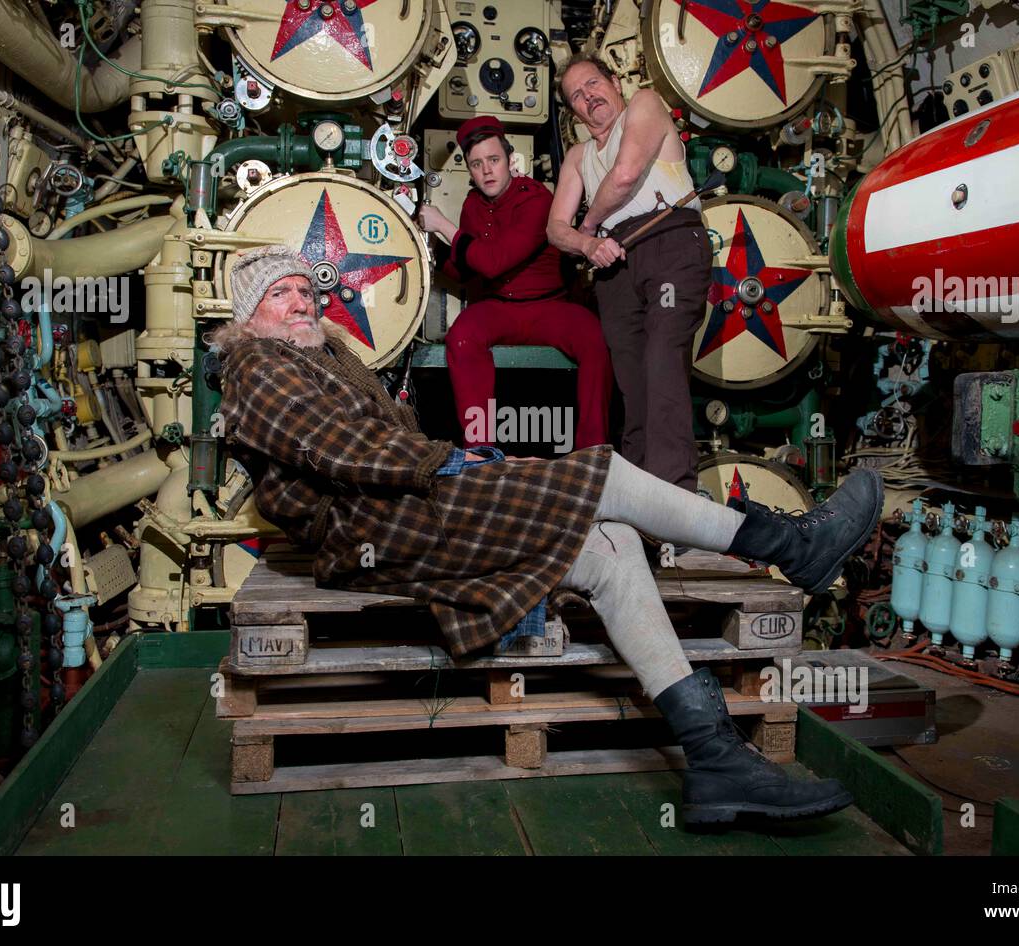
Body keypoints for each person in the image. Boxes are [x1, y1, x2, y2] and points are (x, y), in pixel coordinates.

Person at [215, 245, 885, 829]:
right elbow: (331, 446)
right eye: (281, 294)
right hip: (371, 525)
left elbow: (389, 442)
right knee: (603, 475)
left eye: (307, 290)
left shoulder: (329, 359)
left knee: (612, 544)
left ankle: (713, 758)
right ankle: (792, 546)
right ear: (250, 316)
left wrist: (455, 459)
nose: (301, 301)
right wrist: (447, 462)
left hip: (405, 504)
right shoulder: (258, 365)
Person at [547, 53, 710, 493]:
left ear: (614, 82)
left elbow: (624, 174)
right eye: (576, 96)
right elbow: (553, 228)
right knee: (632, 386)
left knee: (662, 366)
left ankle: (676, 499)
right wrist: (588, 244)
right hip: (614, 264)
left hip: (670, 241)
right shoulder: (579, 156)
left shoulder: (644, 103)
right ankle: (639, 502)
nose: (589, 97)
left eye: (594, 84)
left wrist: (588, 226)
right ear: (573, 111)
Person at [418, 116, 612, 452]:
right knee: (462, 337)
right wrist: (428, 246)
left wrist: (444, 225)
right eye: (477, 164)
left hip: (549, 307)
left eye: (494, 160)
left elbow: (494, 262)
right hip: (500, 308)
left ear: (510, 160)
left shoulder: (536, 199)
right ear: (469, 169)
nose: (487, 171)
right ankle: (480, 450)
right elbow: (467, 269)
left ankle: (591, 453)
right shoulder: (473, 205)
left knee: (594, 339)